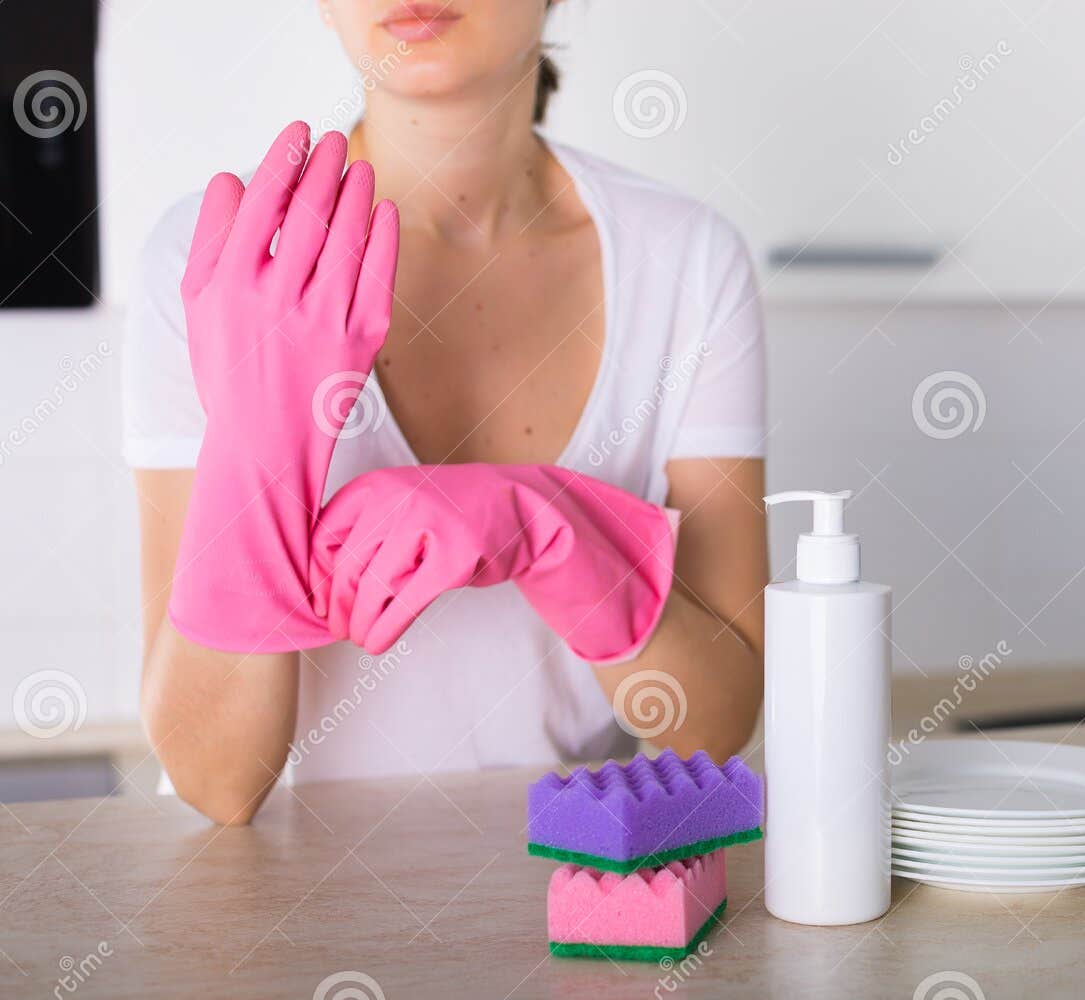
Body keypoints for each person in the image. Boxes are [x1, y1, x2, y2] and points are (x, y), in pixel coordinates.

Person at [123, 0, 768, 824]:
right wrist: (259, 448)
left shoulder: (686, 264)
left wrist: (552, 530)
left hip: (563, 891)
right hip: (282, 916)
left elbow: (713, 729)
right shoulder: (220, 264)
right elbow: (215, 780)